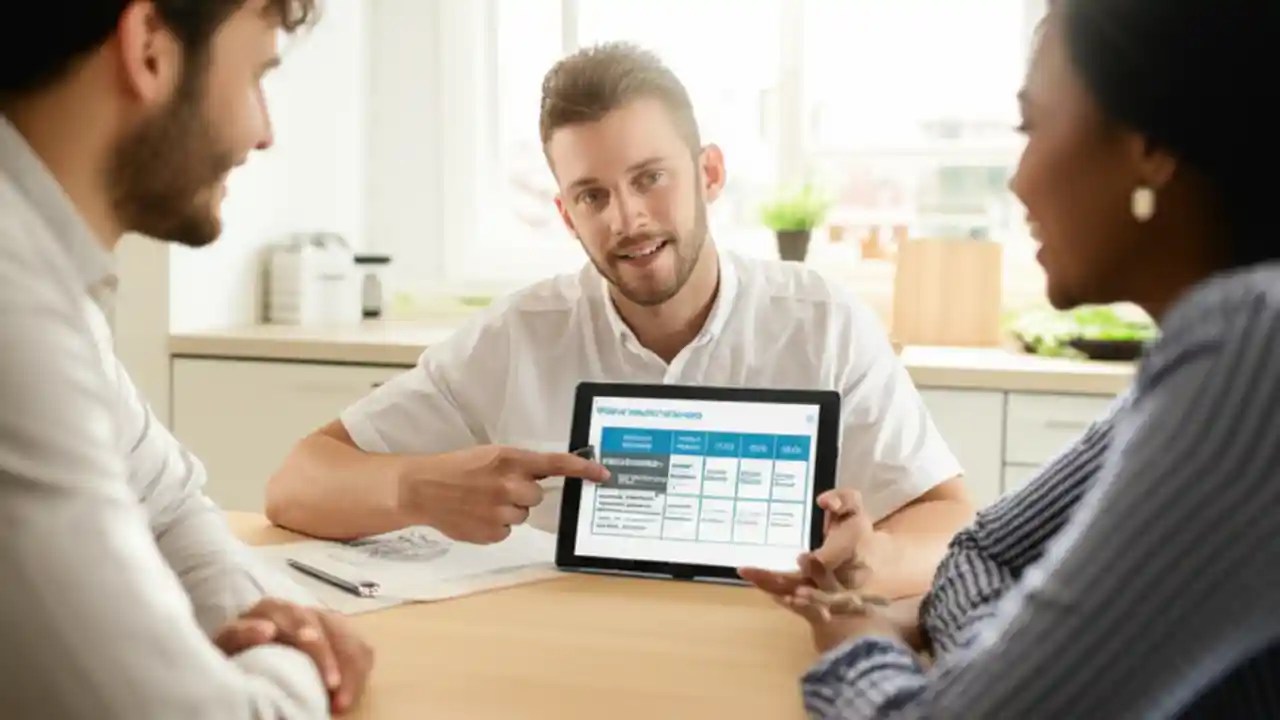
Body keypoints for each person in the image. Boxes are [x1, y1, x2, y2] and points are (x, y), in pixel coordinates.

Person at [265, 42, 974, 600]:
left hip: (759, 646)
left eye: (649, 178)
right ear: (566, 214)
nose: (627, 219)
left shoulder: (822, 324)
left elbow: (948, 518)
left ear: (710, 174)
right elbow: (295, 483)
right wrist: (414, 489)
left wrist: (875, 558)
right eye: (592, 195)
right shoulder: (518, 334)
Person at [742, 0, 1280, 716]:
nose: (1018, 182)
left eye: (1033, 125)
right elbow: (978, 551)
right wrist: (987, 650)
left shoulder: (1249, 354)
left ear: (1148, 140)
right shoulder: (1199, 356)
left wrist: (860, 643)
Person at [0, 1, 374, 717]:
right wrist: (294, 657)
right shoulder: (14, 310)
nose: (263, 132)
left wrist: (259, 615)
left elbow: (169, 503)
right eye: (258, 73)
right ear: (149, 49)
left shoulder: (52, 284)